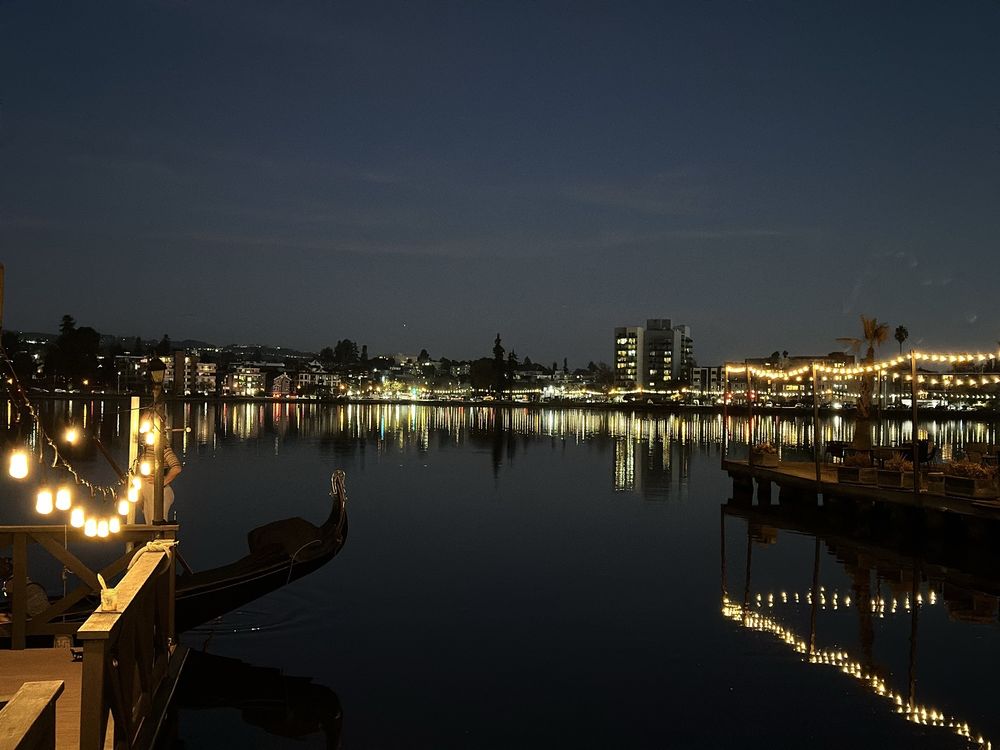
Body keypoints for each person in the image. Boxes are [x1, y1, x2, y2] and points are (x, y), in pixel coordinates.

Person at [141, 440, 182, 524]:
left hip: (157, 494)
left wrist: (161, 482)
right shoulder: (145, 446)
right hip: (148, 492)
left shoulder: (160, 444)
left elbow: (176, 468)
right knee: (150, 525)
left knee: (157, 525)